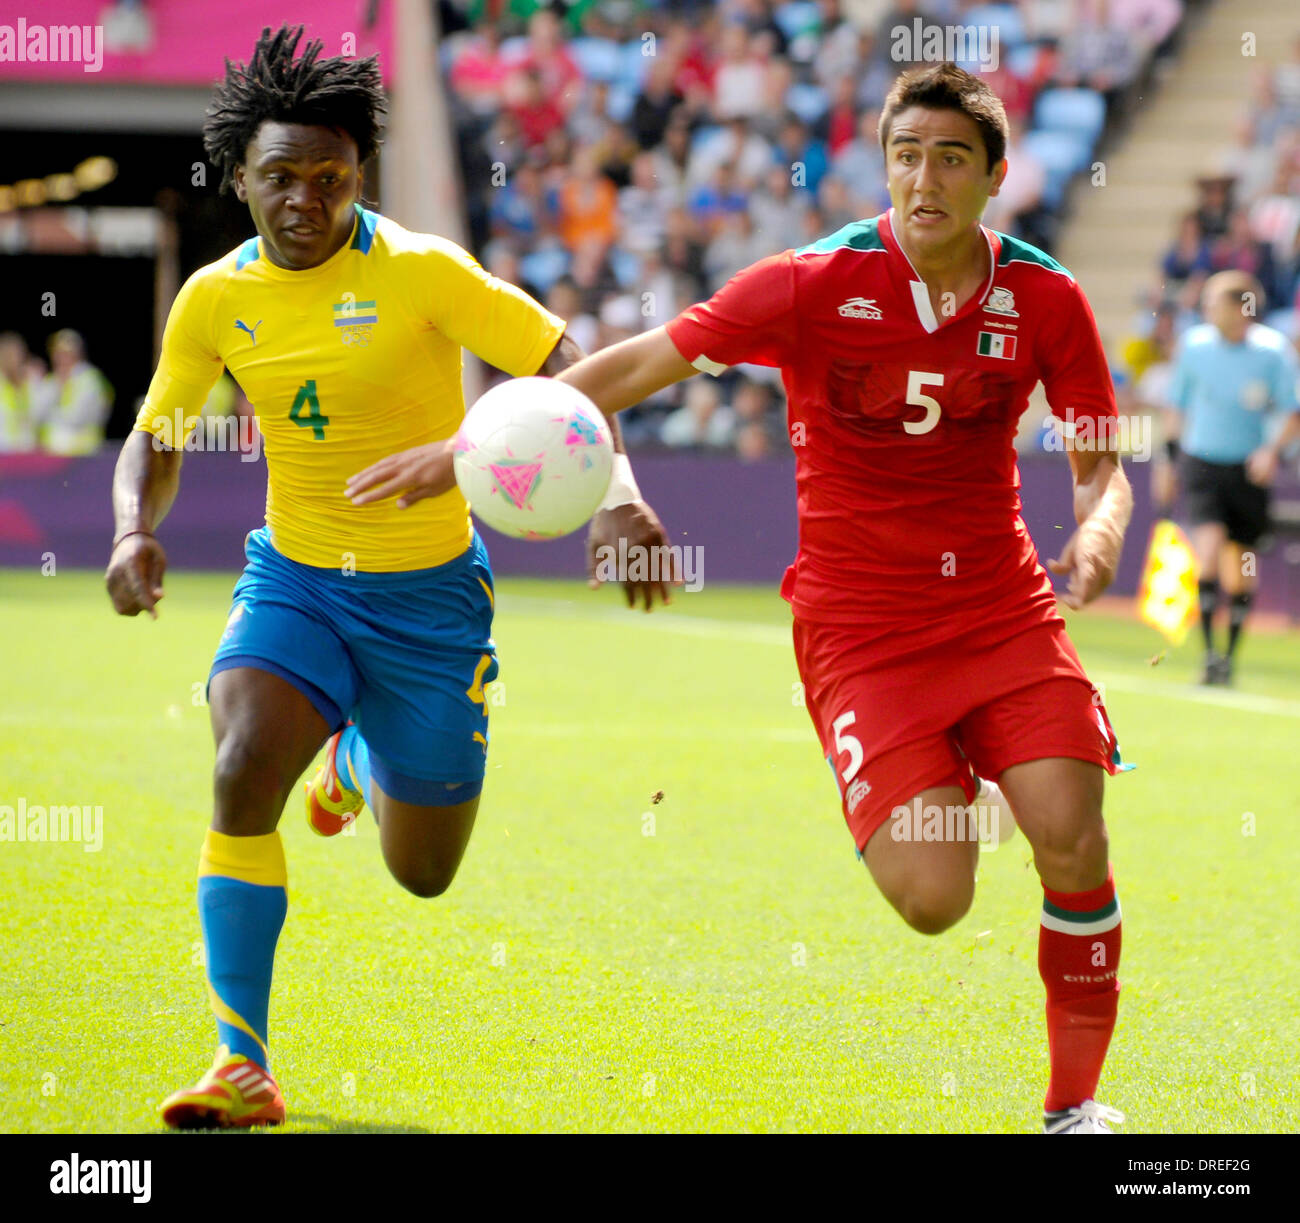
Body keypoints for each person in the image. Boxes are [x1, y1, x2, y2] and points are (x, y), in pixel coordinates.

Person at [105, 25, 671, 1130]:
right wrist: (133, 529)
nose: (307, 199)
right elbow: (159, 430)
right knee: (239, 764)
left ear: (359, 174)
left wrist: (615, 491)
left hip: (429, 604)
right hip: (298, 582)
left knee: (422, 874)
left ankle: (356, 755)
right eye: (282, 178)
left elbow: (563, 368)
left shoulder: (420, 268)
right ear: (241, 180)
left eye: (332, 177)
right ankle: (241, 1062)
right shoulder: (215, 299)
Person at [564, 62, 1137, 1134]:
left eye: (951, 158)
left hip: (1002, 610)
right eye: (906, 155)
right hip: (862, 630)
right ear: (884, 166)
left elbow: (1102, 463)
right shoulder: (807, 282)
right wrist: (479, 436)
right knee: (934, 898)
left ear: (994, 177)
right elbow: (641, 363)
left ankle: (1074, 1107)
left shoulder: (1047, 298)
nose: (925, 178)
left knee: (1071, 829)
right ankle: (961, 773)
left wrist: (1099, 531)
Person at [1154, 270, 1300, 684]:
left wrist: (1271, 451)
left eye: (1215, 303)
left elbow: (1292, 409)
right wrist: (1168, 462)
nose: (1207, 311)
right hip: (1202, 464)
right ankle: (1208, 657)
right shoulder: (1195, 347)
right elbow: (1175, 405)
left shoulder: (1272, 354)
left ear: (1242, 309)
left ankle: (1227, 656)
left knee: (1242, 566)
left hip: (1247, 470)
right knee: (1209, 550)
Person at [32, 329, 113, 454]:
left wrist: (52, 416)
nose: (61, 359)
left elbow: (77, 417)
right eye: (58, 353)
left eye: (66, 354)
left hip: (84, 453)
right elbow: (36, 414)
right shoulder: (51, 381)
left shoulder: (90, 380)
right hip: (52, 454)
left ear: (78, 355)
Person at [0, 332, 38, 451]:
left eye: (20, 354)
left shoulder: (29, 382)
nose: (16, 359)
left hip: (26, 449)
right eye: (11, 355)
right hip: (4, 450)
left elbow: (37, 414)